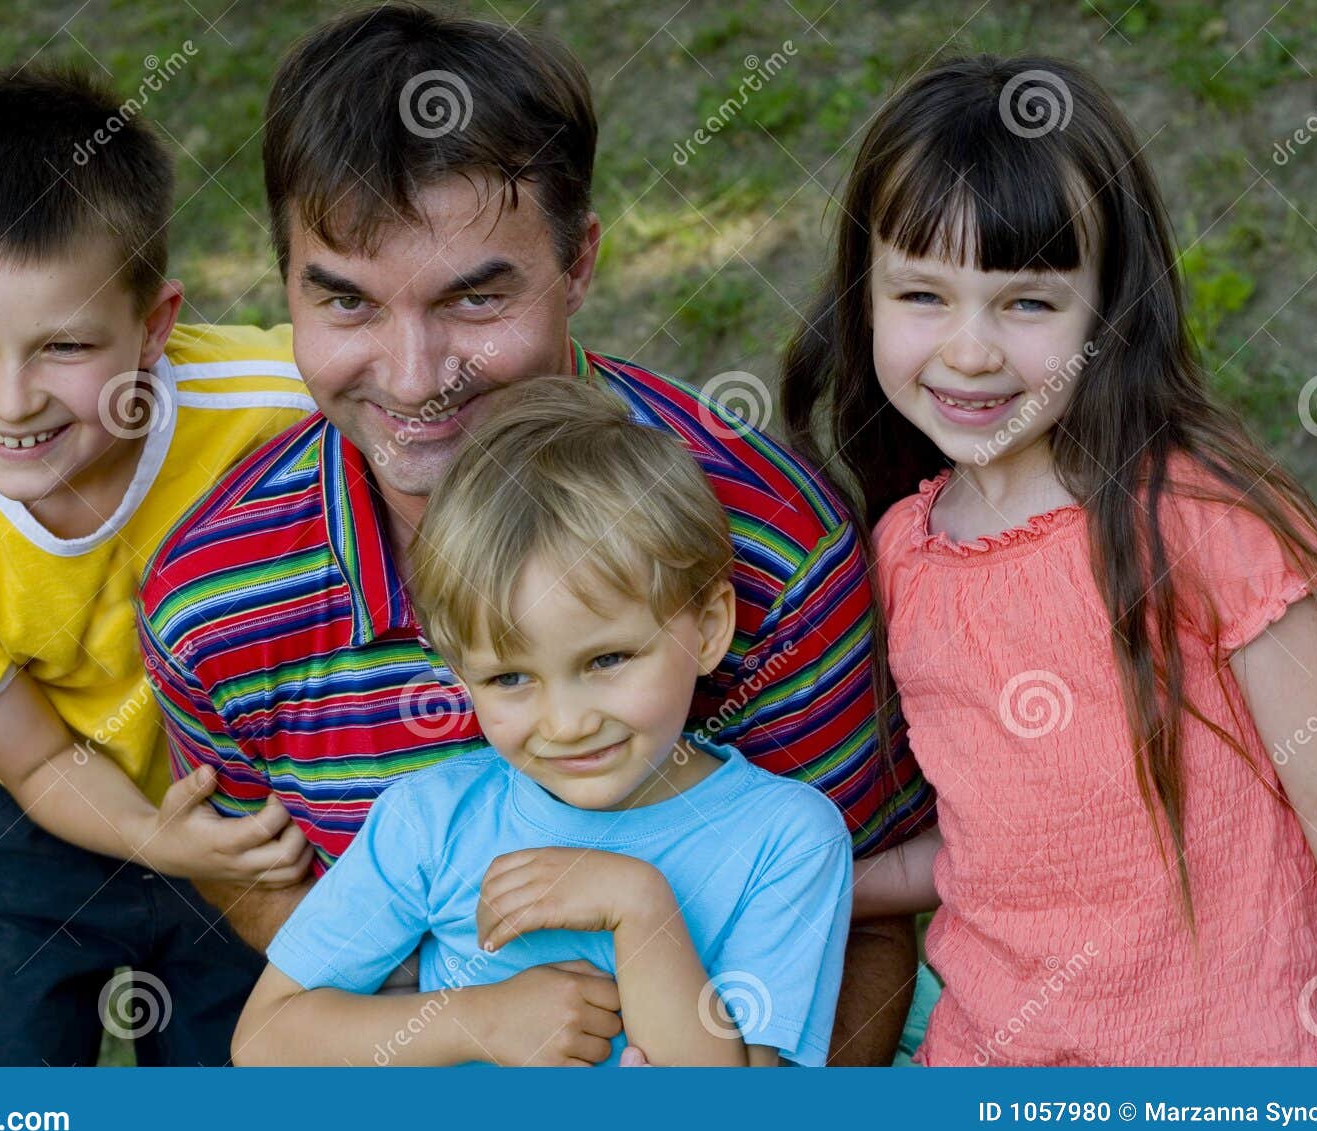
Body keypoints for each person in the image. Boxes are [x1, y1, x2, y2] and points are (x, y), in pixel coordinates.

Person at [136, 1, 935, 1065]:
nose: (412, 379)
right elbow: (263, 888)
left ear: (581, 263)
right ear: (284, 283)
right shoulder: (210, 607)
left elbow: (867, 913)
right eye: (346, 303)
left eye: (474, 300)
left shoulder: (773, 551)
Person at [781, 54, 1317, 1065]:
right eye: (922, 294)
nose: (969, 352)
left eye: (1026, 303)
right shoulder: (900, 551)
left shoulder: (1201, 521)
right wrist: (794, 870)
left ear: (1109, 310)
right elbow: (988, 847)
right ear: (865, 298)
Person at [0, 66, 316, 1065]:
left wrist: (195, 842)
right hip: (29, 811)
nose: (12, 401)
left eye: (63, 345)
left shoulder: (285, 406)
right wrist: (152, 838)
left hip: (230, 786)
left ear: (153, 324)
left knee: (253, 1067)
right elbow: (43, 760)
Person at [232, 380, 852, 1067]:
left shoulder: (785, 839)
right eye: (509, 677)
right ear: (458, 673)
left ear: (707, 629)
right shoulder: (434, 823)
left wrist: (640, 907)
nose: (566, 722)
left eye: (607, 658)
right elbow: (266, 1038)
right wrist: (477, 1022)